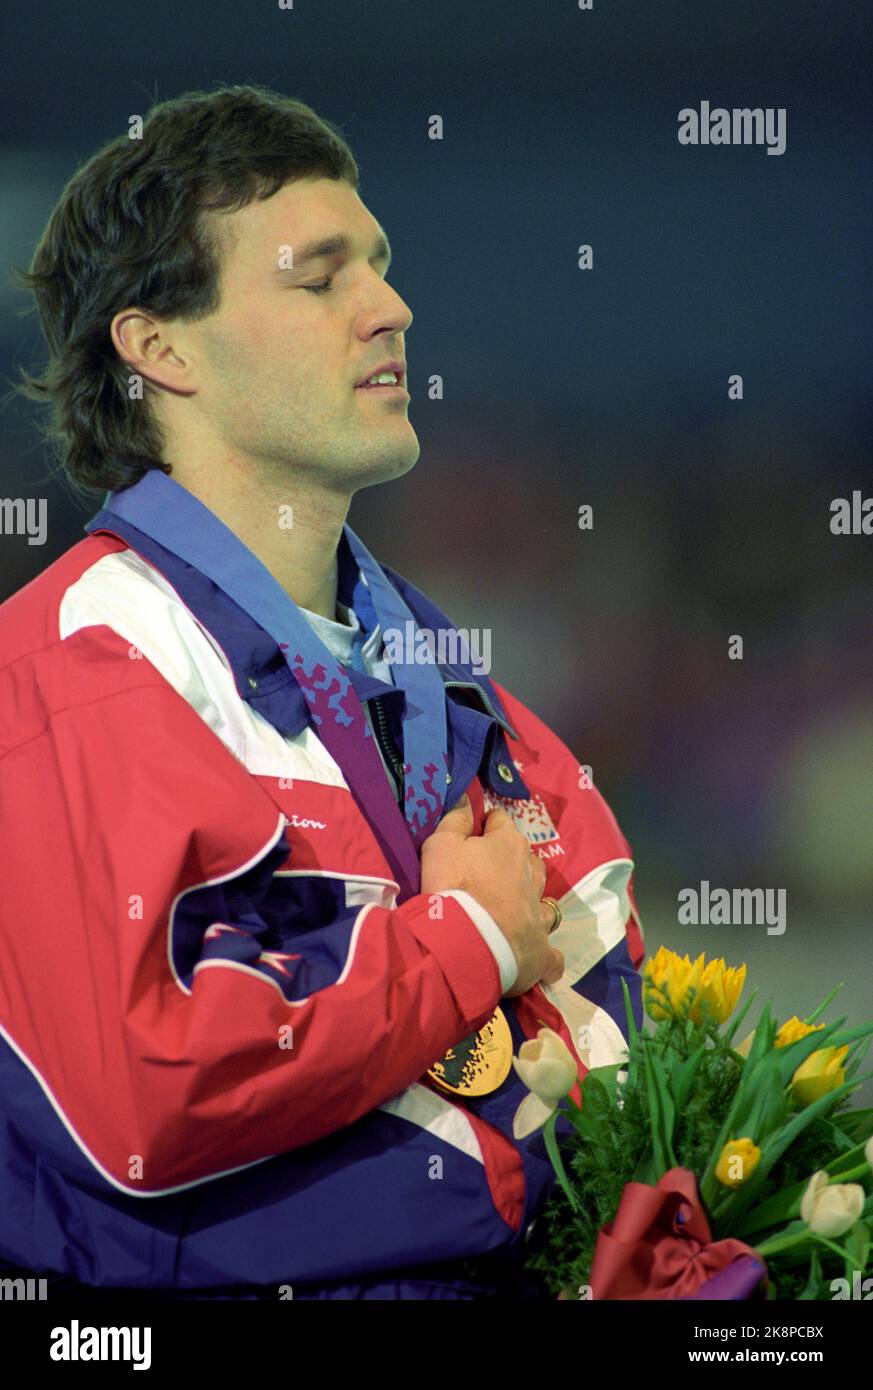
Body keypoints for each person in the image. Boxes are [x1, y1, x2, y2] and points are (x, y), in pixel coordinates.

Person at [0, 83, 645, 1300]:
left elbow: (617, 1019)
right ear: (162, 349)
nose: (391, 308)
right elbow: (151, 1093)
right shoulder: (77, 667)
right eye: (319, 276)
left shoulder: (453, 693)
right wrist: (462, 946)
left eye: (382, 267)